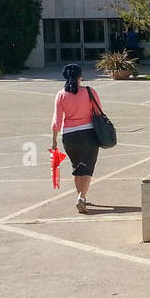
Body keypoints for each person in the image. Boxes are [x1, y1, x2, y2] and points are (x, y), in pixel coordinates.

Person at [51, 63, 99, 214]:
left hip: (69, 136)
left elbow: (57, 119)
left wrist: (54, 140)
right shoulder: (89, 92)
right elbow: (98, 112)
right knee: (88, 168)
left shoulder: (61, 95)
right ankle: (81, 197)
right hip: (88, 134)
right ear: (80, 77)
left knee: (77, 167)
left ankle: (82, 197)